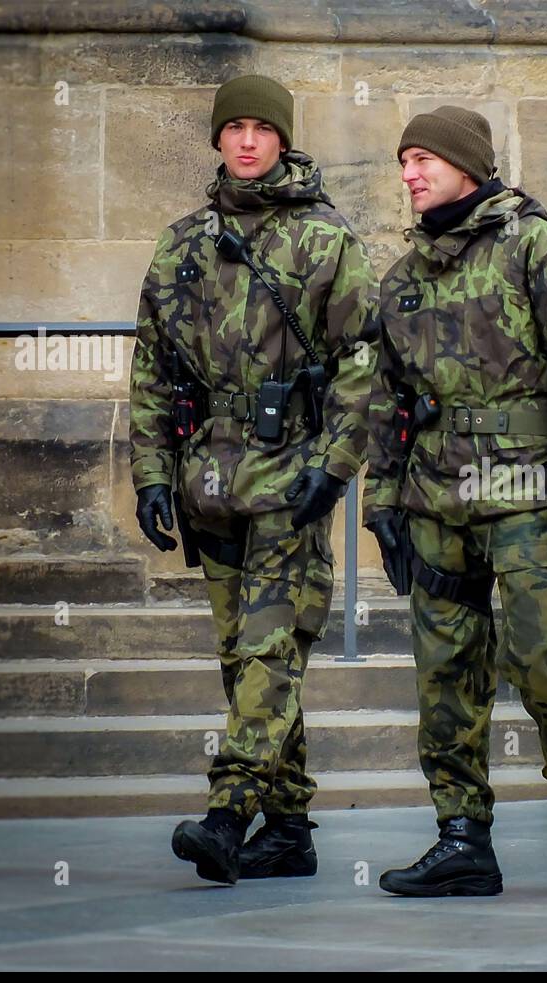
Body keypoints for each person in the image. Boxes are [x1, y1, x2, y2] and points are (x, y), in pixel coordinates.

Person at [362, 106, 547, 897]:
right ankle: (462, 837)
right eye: (402, 161)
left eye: (422, 159)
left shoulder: (530, 243)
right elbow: (390, 398)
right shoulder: (402, 279)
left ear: (466, 164)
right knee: (444, 672)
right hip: (436, 500)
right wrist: (382, 498)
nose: (408, 173)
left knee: (542, 657)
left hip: (527, 492)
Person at [128, 74, 379, 885]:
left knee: (273, 645)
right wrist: (151, 475)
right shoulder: (183, 246)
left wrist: (336, 471)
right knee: (245, 657)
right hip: (212, 481)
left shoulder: (326, 240)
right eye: (232, 127)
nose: (245, 141)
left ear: (281, 140)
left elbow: (360, 366)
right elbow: (154, 372)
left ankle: (229, 812)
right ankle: (291, 827)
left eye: (259, 129)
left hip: (294, 475)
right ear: (217, 140)